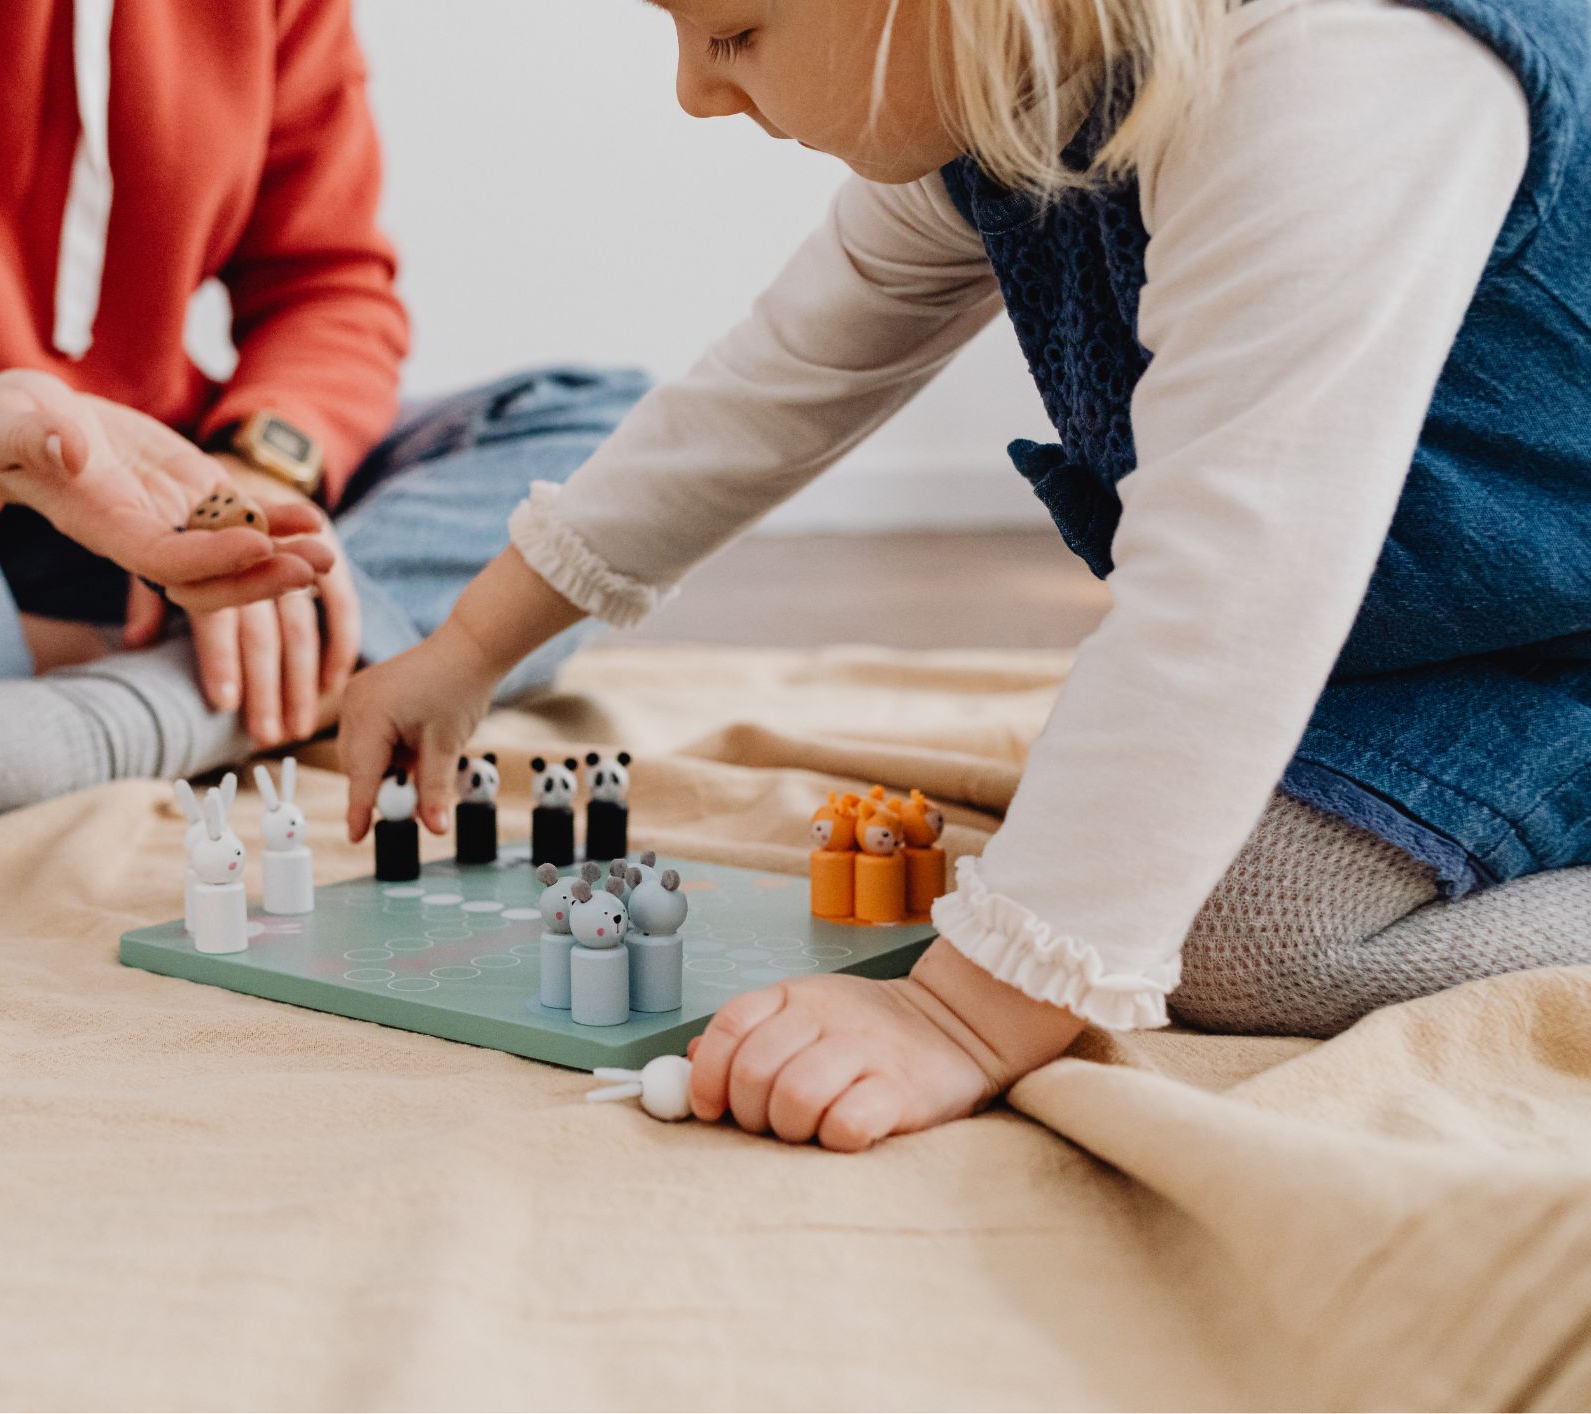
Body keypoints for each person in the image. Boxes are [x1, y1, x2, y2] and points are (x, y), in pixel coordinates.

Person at [338, 0, 1591, 1149]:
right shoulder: (999, 88)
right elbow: (766, 392)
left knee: (1236, 939)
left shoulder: (1346, 72)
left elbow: (1233, 578)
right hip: (1429, 631)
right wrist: (469, 646)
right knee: (1139, 838)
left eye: (733, 33)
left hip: (1552, 633)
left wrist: (965, 1013)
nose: (695, 94)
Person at [0, 0, 646, 864]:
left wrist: (247, 488)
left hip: (158, 497)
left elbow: (328, 284)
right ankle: (153, 666)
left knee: (623, 451)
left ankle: (112, 715)